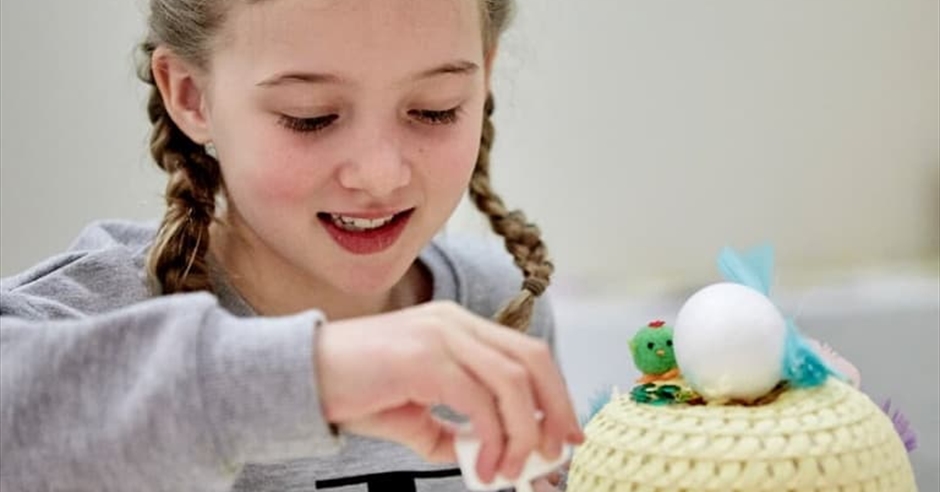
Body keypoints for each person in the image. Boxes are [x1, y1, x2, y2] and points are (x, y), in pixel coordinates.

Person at [0, 0, 584, 490]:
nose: (379, 175)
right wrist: (310, 374)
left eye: (436, 109)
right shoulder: (98, 313)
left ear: (483, 78)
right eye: (311, 117)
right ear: (190, 96)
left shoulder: (504, 306)